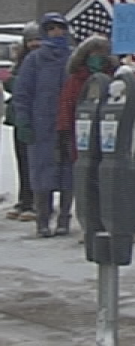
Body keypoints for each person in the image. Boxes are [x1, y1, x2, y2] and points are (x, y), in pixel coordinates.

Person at [13, 13, 73, 237]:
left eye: (60, 28)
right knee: (41, 174)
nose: (56, 33)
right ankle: (43, 219)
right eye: (51, 29)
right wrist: (24, 121)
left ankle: (64, 218)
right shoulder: (34, 60)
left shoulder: (72, 59)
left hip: (67, 126)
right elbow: (23, 93)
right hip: (42, 125)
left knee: (68, 174)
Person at [55, 35, 114, 237]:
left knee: (106, 183)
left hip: (107, 140)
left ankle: (107, 221)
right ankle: (89, 222)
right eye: (93, 54)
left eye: (101, 54)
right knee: (85, 183)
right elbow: (66, 107)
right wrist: (63, 133)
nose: (97, 58)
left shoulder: (115, 79)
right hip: (80, 140)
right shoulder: (76, 79)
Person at [5, 25, 41, 221]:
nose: (34, 44)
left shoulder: (44, 61)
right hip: (20, 117)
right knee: (22, 160)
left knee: (35, 161)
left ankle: (36, 201)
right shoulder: (21, 62)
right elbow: (14, 86)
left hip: (38, 117)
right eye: (30, 40)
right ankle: (24, 199)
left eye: (37, 39)